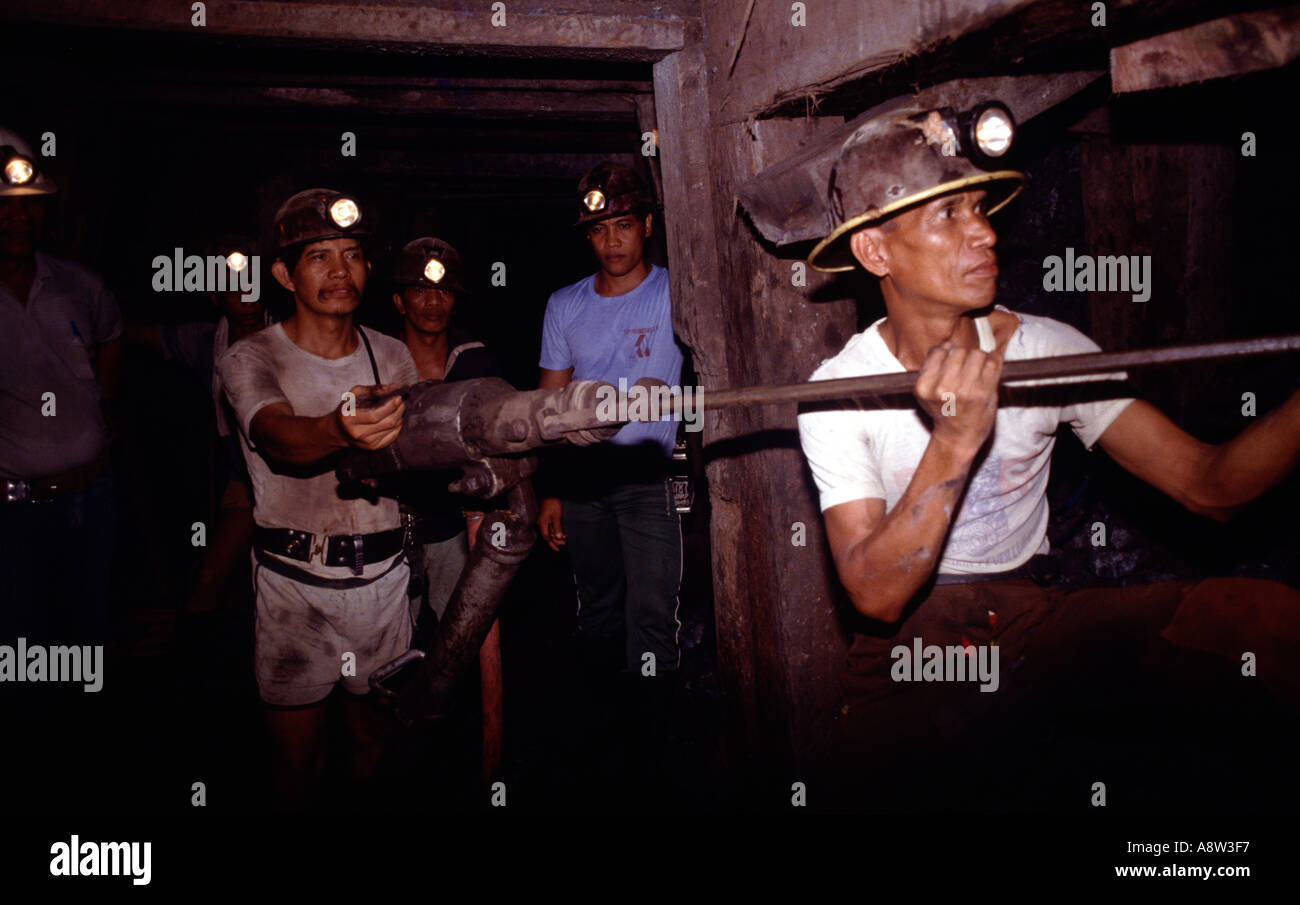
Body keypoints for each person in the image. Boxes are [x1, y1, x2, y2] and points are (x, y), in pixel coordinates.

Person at [797, 104, 1300, 805]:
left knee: (1264, 623)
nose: (985, 231)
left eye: (979, 207)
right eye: (949, 216)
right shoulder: (838, 392)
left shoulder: (1046, 351)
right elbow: (876, 595)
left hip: (1033, 618)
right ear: (875, 253)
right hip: (913, 646)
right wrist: (954, 441)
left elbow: (1209, 486)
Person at [217, 188, 418, 811]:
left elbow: (417, 455)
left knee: (371, 748)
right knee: (296, 764)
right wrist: (340, 428)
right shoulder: (252, 355)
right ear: (284, 274)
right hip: (294, 586)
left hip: (384, 583)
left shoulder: (392, 354)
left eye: (353, 255)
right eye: (319, 257)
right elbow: (279, 437)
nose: (340, 271)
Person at [536, 162, 684, 767]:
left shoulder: (678, 290)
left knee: (652, 608)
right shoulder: (563, 305)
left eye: (623, 225)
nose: (612, 240)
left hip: (648, 475)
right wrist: (551, 490)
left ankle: (657, 744)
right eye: (599, 230)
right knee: (596, 602)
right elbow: (548, 405)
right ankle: (600, 737)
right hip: (584, 478)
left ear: (646, 225)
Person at [0, 127, 121, 645]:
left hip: (89, 499)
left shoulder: (79, 284)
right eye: (3, 206)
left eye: (29, 206)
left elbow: (112, 336)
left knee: (86, 629)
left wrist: (107, 406)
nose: (18, 219)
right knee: (19, 635)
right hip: (11, 512)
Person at [127, 236, 273, 615]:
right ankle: (197, 661)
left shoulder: (295, 335)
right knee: (211, 577)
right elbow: (139, 334)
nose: (247, 293)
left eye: (253, 281)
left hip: (301, 472)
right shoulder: (208, 342)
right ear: (216, 297)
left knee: (282, 582)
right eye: (234, 285)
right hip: (242, 474)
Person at [388, 236, 504, 635]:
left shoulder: (476, 361)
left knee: (459, 635)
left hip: (457, 524)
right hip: (387, 525)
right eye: (420, 291)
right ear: (400, 301)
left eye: (443, 292)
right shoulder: (375, 361)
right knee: (390, 643)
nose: (433, 303)